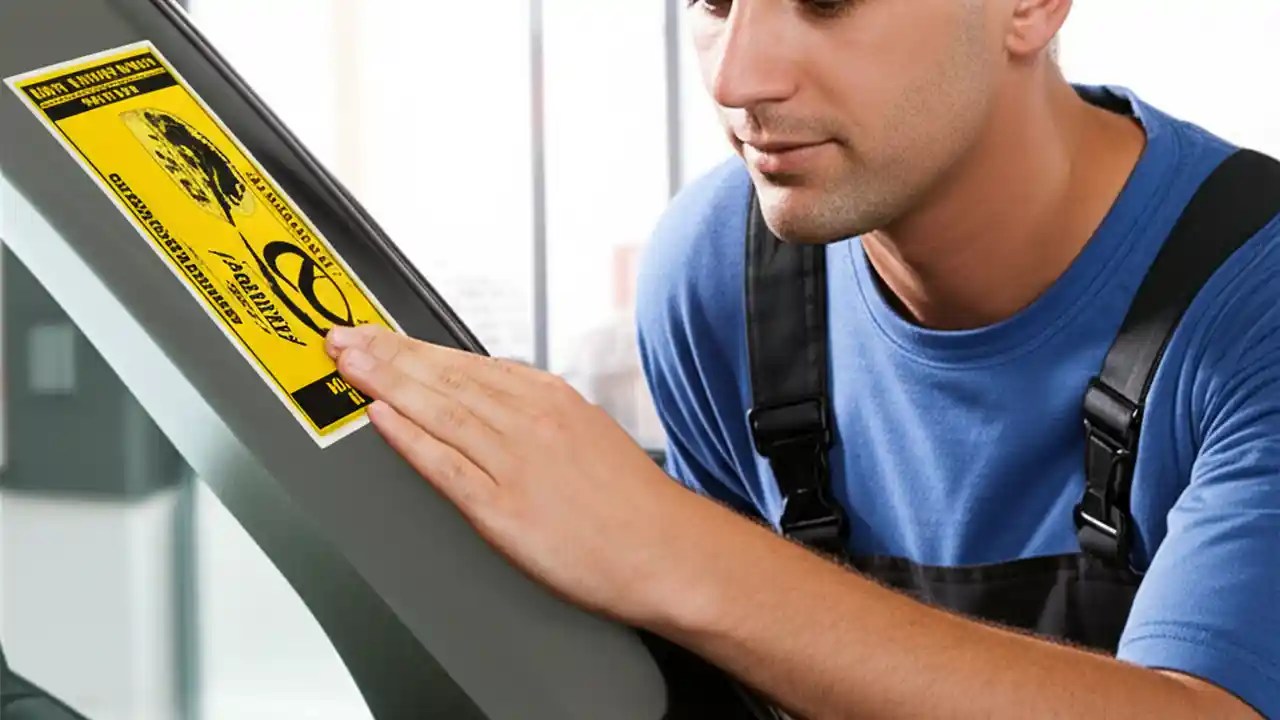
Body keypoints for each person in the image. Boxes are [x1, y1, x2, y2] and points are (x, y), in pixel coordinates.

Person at [324, 0, 1279, 717]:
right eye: (710, 0)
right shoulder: (719, 275)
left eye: (825, 1)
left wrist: (663, 546)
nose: (737, 77)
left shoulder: (1255, 302)